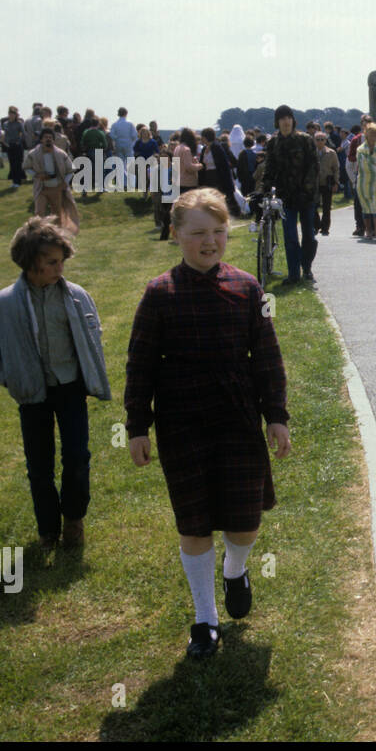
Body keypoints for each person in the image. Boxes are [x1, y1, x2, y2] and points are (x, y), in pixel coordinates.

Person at [125, 189, 290, 657]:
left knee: (245, 522)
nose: (210, 241)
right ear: (175, 235)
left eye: (218, 232)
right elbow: (140, 365)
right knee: (194, 524)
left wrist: (276, 416)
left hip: (238, 420)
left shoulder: (247, 288)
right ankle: (204, 619)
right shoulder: (159, 294)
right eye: (198, 233)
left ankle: (235, 569)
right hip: (182, 425)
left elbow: (268, 359)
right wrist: (138, 424)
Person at [0, 216, 111, 550]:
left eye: (62, 261)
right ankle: (47, 530)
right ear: (30, 260)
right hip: (32, 394)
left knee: (78, 457)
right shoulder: (2, 304)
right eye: (51, 262)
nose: (59, 268)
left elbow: (94, 333)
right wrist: (8, 377)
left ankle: (74, 519)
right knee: (39, 466)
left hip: (70, 388)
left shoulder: (76, 296)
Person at [260, 104, 319, 285]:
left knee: (309, 235)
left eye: (288, 118)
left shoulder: (305, 140)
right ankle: (294, 273)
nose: (286, 121)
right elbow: (269, 169)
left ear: (293, 120)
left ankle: (306, 267)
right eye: (282, 118)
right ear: (277, 122)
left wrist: (307, 190)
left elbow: (313, 168)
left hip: (306, 196)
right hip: (286, 197)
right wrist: (265, 188)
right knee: (290, 237)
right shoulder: (273, 143)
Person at [25, 128, 81, 235]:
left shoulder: (61, 154)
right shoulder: (33, 154)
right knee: (39, 213)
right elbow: (27, 167)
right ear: (41, 139)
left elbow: (71, 170)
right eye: (45, 137)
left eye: (50, 137)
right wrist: (37, 175)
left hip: (56, 188)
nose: (48, 139)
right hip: (41, 188)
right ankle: (37, 235)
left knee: (57, 215)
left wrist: (65, 183)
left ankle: (57, 236)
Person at [355, 122, 376, 241]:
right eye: (371, 134)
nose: (373, 136)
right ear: (366, 134)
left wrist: (371, 167)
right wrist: (372, 166)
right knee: (365, 208)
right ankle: (368, 231)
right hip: (363, 182)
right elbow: (361, 165)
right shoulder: (360, 149)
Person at [168, 128, 202, 240]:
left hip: (178, 181)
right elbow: (188, 167)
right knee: (189, 209)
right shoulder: (186, 150)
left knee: (180, 208)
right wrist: (200, 166)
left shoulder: (177, 148)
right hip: (188, 182)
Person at [198, 127, 238, 215]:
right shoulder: (204, 149)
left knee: (219, 195)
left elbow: (223, 165)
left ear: (205, 137)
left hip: (217, 175)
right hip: (208, 176)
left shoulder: (217, 147)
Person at [313, 131, 339, 236]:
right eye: (317, 139)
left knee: (326, 207)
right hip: (314, 183)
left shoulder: (331, 153)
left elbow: (336, 169)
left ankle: (325, 227)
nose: (320, 142)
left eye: (322, 139)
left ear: (325, 141)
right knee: (313, 205)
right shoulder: (311, 152)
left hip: (327, 182)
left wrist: (336, 182)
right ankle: (316, 225)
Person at [2, 107, 27, 189]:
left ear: (15, 115)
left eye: (13, 114)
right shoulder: (5, 124)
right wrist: (5, 142)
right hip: (9, 145)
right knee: (12, 164)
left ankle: (18, 181)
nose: (11, 116)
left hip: (17, 145)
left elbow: (23, 134)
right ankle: (14, 181)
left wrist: (18, 141)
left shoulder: (19, 123)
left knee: (18, 164)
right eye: (10, 114)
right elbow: (5, 134)